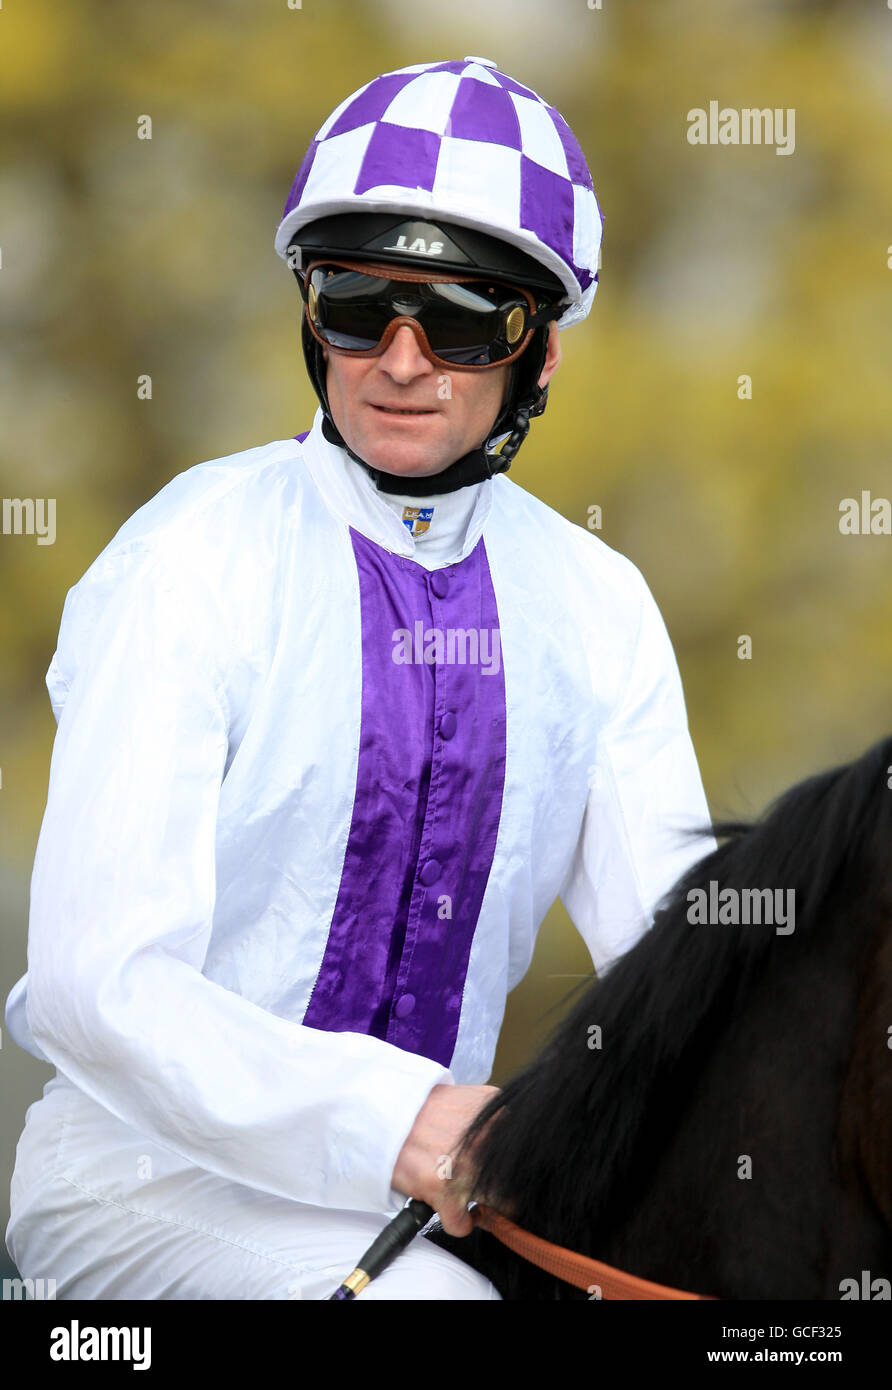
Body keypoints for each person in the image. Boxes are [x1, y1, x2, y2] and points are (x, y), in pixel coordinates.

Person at [4, 56, 713, 1300]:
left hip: (431, 1208)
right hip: (140, 1194)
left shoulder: (599, 604)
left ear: (538, 354)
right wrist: (406, 1117)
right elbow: (88, 983)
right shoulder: (193, 555)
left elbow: (688, 959)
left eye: (454, 319)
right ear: (309, 315)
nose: (397, 359)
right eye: (355, 302)